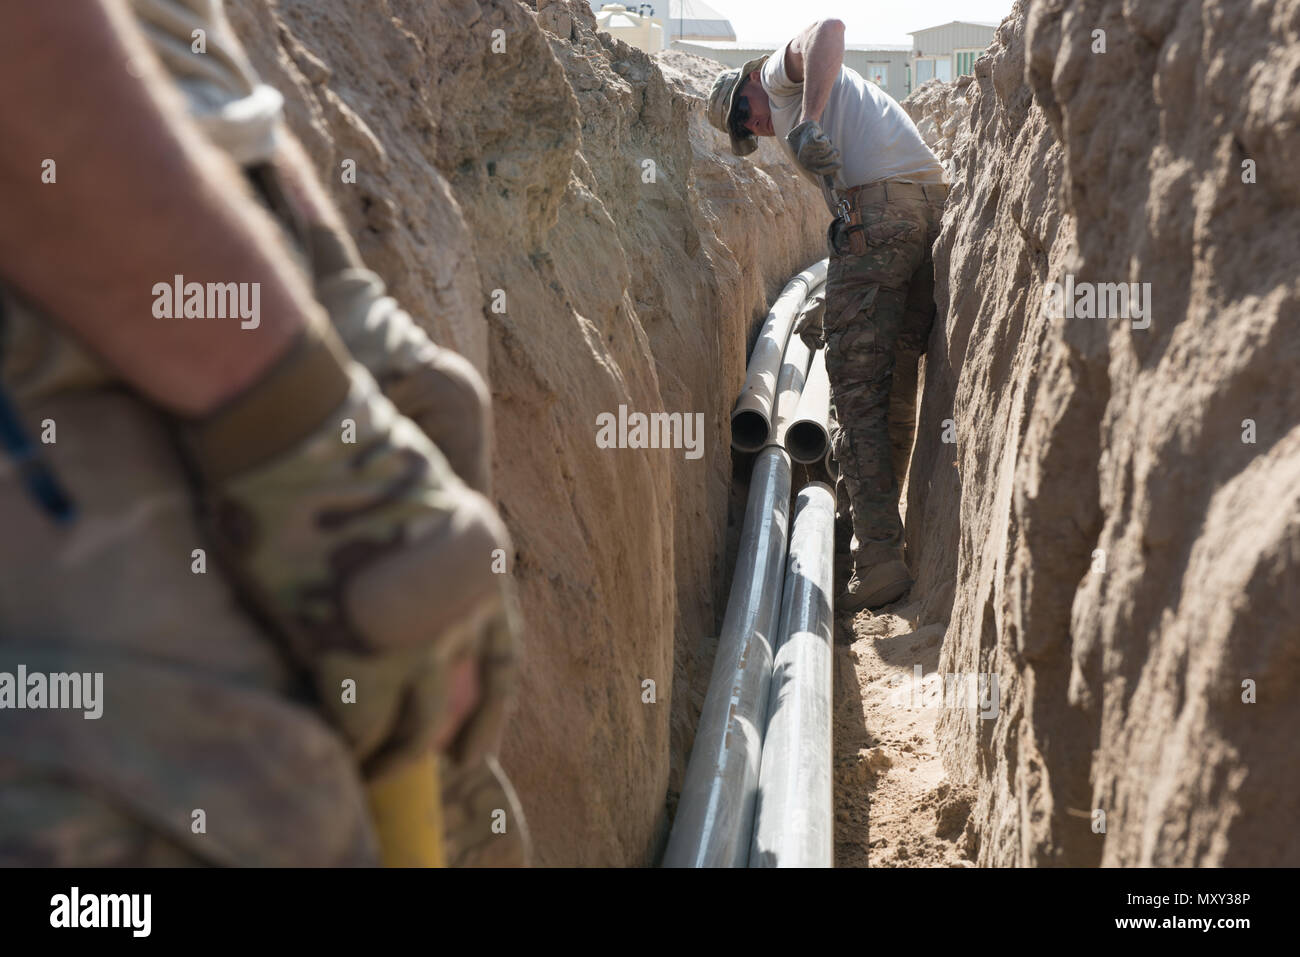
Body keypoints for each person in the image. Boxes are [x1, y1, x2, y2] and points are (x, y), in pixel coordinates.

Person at [0, 0, 525, 865]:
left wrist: (329, 279)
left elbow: (187, 45)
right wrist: (291, 422)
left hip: (204, 273)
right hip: (70, 333)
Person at [707, 19, 949, 611]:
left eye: (744, 111)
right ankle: (882, 550)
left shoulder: (778, 82)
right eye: (744, 130)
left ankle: (877, 556)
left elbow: (828, 28)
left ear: (749, 83)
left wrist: (809, 118)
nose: (752, 125)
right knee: (889, 377)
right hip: (926, 212)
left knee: (852, 385)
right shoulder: (792, 111)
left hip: (879, 219)